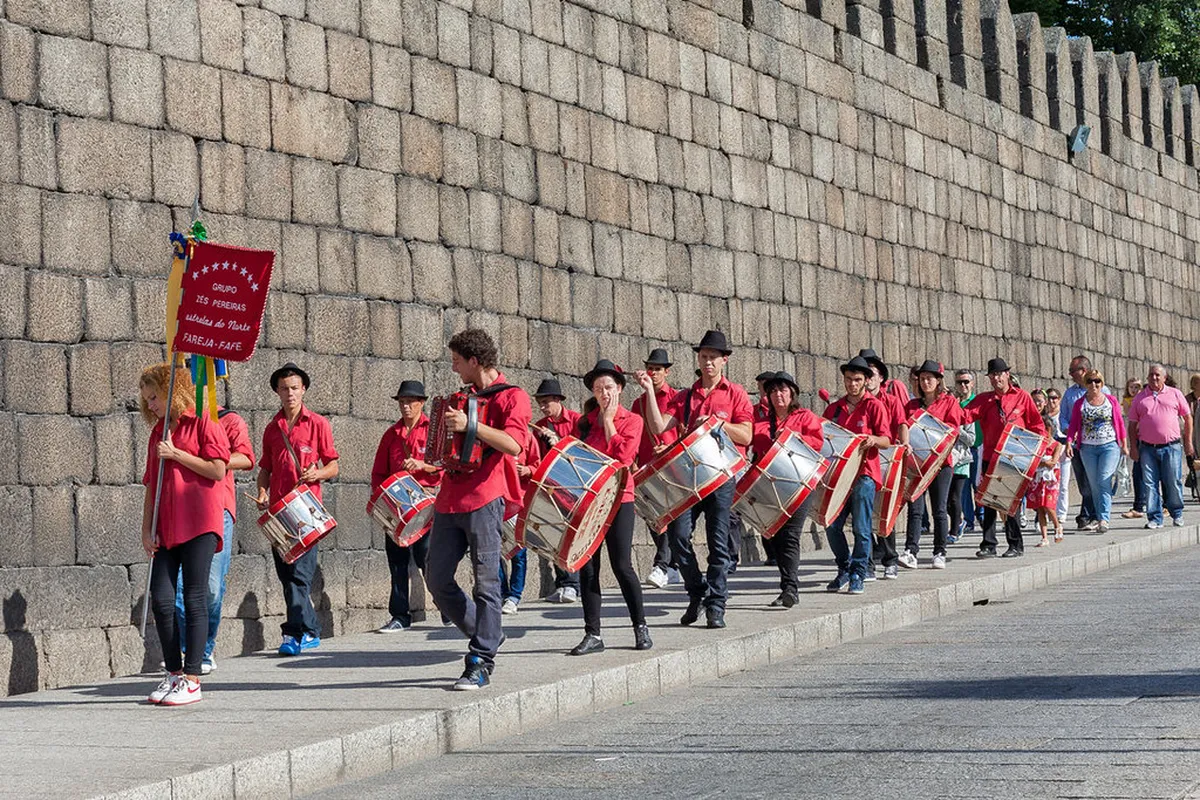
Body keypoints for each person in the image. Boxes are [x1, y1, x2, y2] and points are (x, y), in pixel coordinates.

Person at [426, 329, 532, 690]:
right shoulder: (462, 397)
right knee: (436, 579)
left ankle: (481, 660)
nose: (454, 368)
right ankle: (486, 631)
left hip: (486, 496)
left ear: (474, 361)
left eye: (457, 361)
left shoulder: (513, 397)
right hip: (449, 497)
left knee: (486, 582)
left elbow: (513, 445)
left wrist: (470, 424)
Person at [637, 329, 753, 629]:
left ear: (724, 360)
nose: (708, 362)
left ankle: (716, 604)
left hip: (722, 477)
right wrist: (649, 391)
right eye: (704, 357)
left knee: (718, 542)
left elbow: (746, 435)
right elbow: (659, 426)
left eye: (713, 357)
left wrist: (718, 424)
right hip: (690, 479)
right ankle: (697, 590)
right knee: (677, 537)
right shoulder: (685, 396)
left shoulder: (736, 393)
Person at [140, 363, 231, 705]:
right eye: (147, 399)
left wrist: (177, 454)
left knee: (194, 597)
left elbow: (218, 469)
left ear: (171, 391)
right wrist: (146, 529)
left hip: (199, 522)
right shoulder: (157, 432)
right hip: (166, 525)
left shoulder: (205, 421)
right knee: (162, 600)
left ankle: (193, 678)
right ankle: (174, 673)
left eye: (154, 397)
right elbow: (151, 485)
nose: (150, 405)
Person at [255, 363, 339, 656]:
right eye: (284, 389)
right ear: (277, 392)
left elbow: (333, 465)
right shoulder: (272, 428)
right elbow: (265, 469)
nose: (289, 393)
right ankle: (311, 629)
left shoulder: (318, 424)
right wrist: (262, 492)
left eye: (294, 388)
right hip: (279, 512)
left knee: (299, 575)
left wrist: (318, 474)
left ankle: (292, 633)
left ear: (303, 390)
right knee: (285, 574)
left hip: (306, 511)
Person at [568, 360, 652, 655]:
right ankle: (593, 633)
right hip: (590, 502)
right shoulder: (584, 424)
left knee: (622, 565)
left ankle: (640, 626)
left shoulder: (633, 421)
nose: (604, 393)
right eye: (598, 389)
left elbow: (624, 458)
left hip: (619, 499)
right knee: (588, 567)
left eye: (609, 388)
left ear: (619, 389)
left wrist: (608, 422)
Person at [172, 395, 254, 675]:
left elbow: (246, 457)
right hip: (181, 507)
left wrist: (209, 458)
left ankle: (204, 649)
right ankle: (189, 651)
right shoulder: (174, 421)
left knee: (210, 586)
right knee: (179, 586)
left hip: (216, 507)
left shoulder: (227, 419)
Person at [370, 380, 441, 632]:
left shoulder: (433, 432)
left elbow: (446, 466)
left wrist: (424, 466)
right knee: (397, 561)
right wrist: (381, 499)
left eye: (410, 402)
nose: (405, 406)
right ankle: (400, 615)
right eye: (402, 402)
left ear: (421, 403)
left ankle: (446, 604)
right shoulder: (391, 434)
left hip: (425, 503)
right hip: (397, 505)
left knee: (426, 557)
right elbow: (379, 472)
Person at [751, 371, 825, 605]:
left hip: (799, 483)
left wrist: (795, 437)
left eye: (782, 390)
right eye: (773, 391)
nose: (777, 395)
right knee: (774, 536)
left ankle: (790, 588)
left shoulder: (805, 417)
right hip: (770, 485)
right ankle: (787, 585)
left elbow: (817, 444)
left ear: (792, 393)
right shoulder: (760, 420)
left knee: (790, 535)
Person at [964, 358, 1046, 558]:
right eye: (992, 375)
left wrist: (1037, 451)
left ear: (1007, 375)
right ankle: (989, 545)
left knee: (1010, 502)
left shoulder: (1022, 397)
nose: (996, 378)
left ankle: (1015, 544)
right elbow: (964, 415)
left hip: (1013, 456)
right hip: (990, 456)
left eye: (999, 374)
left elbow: (1036, 425)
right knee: (988, 501)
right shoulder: (984, 399)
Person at [822, 356, 891, 594]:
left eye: (857, 380)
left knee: (862, 528)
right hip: (838, 476)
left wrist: (872, 439)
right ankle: (844, 567)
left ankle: (859, 572)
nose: (852, 384)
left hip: (864, 474)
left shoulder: (875, 406)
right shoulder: (833, 409)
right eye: (849, 379)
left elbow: (886, 440)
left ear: (866, 381)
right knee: (831, 524)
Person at [898, 361, 964, 570]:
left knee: (939, 509)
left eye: (929, 379)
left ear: (938, 381)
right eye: (922, 379)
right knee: (915, 508)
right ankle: (911, 551)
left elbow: (953, 430)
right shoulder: (912, 405)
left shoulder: (949, 402)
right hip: (916, 463)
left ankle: (939, 552)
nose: (925, 382)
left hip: (941, 464)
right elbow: (904, 428)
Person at [630, 348, 682, 589]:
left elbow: (684, 432)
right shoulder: (638, 404)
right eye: (650, 368)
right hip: (647, 465)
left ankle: (663, 565)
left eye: (658, 369)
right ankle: (670, 566)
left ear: (666, 372)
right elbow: (635, 434)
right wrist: (633, 462)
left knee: (671, 517)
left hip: (673, 466)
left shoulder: (676, 398)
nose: (653, 373)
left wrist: (671, 448)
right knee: (654, 516)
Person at [532, 378, 582, 604]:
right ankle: (564, 583)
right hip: (552, 487)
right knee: (555, 536)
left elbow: (582, 452)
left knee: (572, 535)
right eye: (540, 403)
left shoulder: (577, 421)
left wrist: (558, 442)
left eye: (545, 403)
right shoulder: (539, 426)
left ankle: (573, 584)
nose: (542, 407)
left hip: (575, 484)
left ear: (557, 400)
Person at [862, 351, 910, 580]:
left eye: (871, 374)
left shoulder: (891, 401)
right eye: (864, 374)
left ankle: (890, 559)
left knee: (884, 510)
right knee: (863, 514)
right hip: (863, 462)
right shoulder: (855, 403)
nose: (867, 379)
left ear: (881, 378)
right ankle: (868, 563)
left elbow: (902, 423)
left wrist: (905, 444)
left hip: (886, 459)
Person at [1128, 364, 1193, 530]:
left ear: (1164, 377)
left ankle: (1177, 513)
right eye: (1151, 375)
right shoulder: (1140, 398)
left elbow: (1187, 418)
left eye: (1157, 375)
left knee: (1173, 481)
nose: (1154, 378)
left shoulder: (1175, 394)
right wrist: (1133, 447)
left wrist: (1188, 442)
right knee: (1150, 484)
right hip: (1147, 448)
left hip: (1171, 446)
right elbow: (1132, 424)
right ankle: (1155, 517)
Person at [1065, 370, 1127, 534]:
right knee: (1094, 485)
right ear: (1085, 384)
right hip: (1087, 448)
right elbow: (1073, 425)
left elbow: (1120, 423)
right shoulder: (1080, 403)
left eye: (1097, 381)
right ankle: (1098, 517)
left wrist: (1124, 444)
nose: (1094, 384)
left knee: (1103, 479)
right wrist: (1069, 443)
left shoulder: (1111, 401)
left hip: (1109, 446)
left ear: (1102, 383)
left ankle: (1104, 518)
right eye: (1090, 381)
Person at [1060, 355, 1104, 530]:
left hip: (1097, 444)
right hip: (1077, 444)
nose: (1070, 374)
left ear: (1083, 371)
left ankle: (1091, 515)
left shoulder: (1104, 391)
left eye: (1073, 371)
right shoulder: (1070, 394)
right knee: (1083, 482)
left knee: (1095, 479)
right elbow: (1063, 417)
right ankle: (1087, 514)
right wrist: (1068, 430)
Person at [500, 423, 540, 615]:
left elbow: (538, 466)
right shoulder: (493, 433)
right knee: (495, 552)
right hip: (496, 499)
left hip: (518, 501)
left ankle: (514, 595)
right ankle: (501, 593)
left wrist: (527, 470)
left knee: (518, 552)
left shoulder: (529, 437)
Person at [948, 369, 981, 543]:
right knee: (959, 493)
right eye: (959, 382)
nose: (963, 385)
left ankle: (979, 517)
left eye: (966, 382)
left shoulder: (977, 403)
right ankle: (966, 521)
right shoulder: (952, 406)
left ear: (972, 383)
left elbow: (971, 436)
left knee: (977, 487)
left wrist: (957, 429)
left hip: (975, 450)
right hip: (952, 456)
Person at [1028, 389, 1063, 546]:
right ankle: (1044, 537)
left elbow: (1051, 463)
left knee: (1048, 505)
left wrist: (1040, 462)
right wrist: (1040, 462)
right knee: (1039, 507)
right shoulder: (1036, 445)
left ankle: (1057, 526)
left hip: (1050, 479)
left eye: (1046, 430)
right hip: (1037, 477)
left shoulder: (1056, 445)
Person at [1121, 378, 1146, 518]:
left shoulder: (1145, 399)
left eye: (1137, 387)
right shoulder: (1127, 401)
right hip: (1136, 437)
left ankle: (1143, 504)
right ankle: (1139, 504)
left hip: (1145, 436)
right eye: (1131, 387)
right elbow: (1130, 416)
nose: (1134, 390)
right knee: (1138, 471)